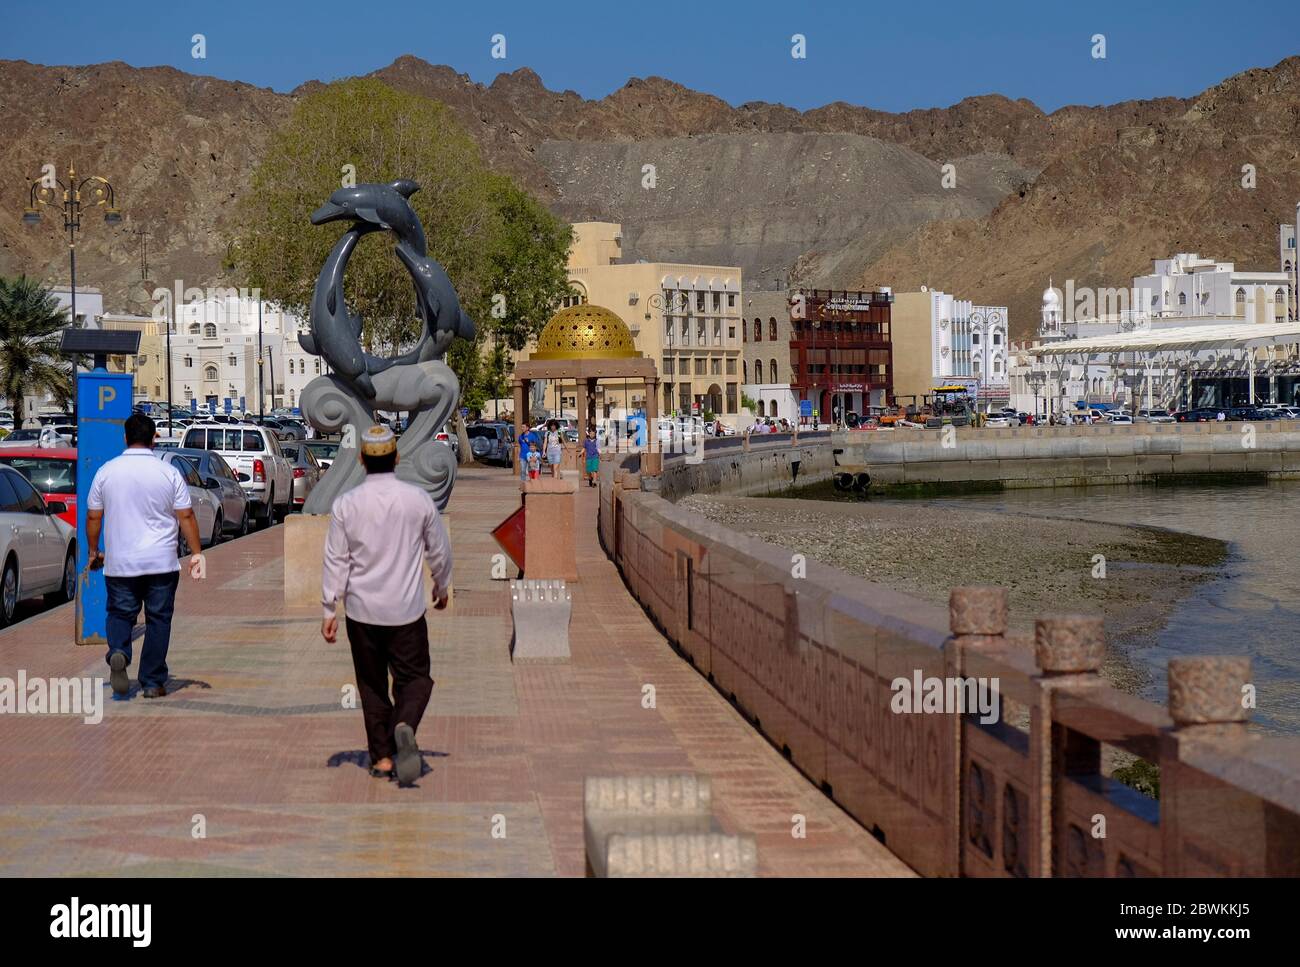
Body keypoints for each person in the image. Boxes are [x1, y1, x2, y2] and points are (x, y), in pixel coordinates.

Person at [321, 426, 452, 785]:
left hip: (361, 613)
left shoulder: (346, 504)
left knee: (372, 685)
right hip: (406, 611)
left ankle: (381, 758)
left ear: (361, 460)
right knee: (416, 679)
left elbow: (336, 559)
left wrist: (329, 608)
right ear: (397, 458)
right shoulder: (418, 499)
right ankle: (404, 724)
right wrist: (441, 586)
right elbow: (438, 550)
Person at [86, 413, 204, 699]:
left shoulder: (106, 472)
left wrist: (94, 551)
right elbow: (185, 515)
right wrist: (197, 553)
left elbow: (93, 517)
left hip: (121, 563)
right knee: (158, 620)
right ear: (154, 438)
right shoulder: (168, 472)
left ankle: (119, 651)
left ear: (125, 438)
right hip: (161, 562)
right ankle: (152, 682)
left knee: (120, 613)